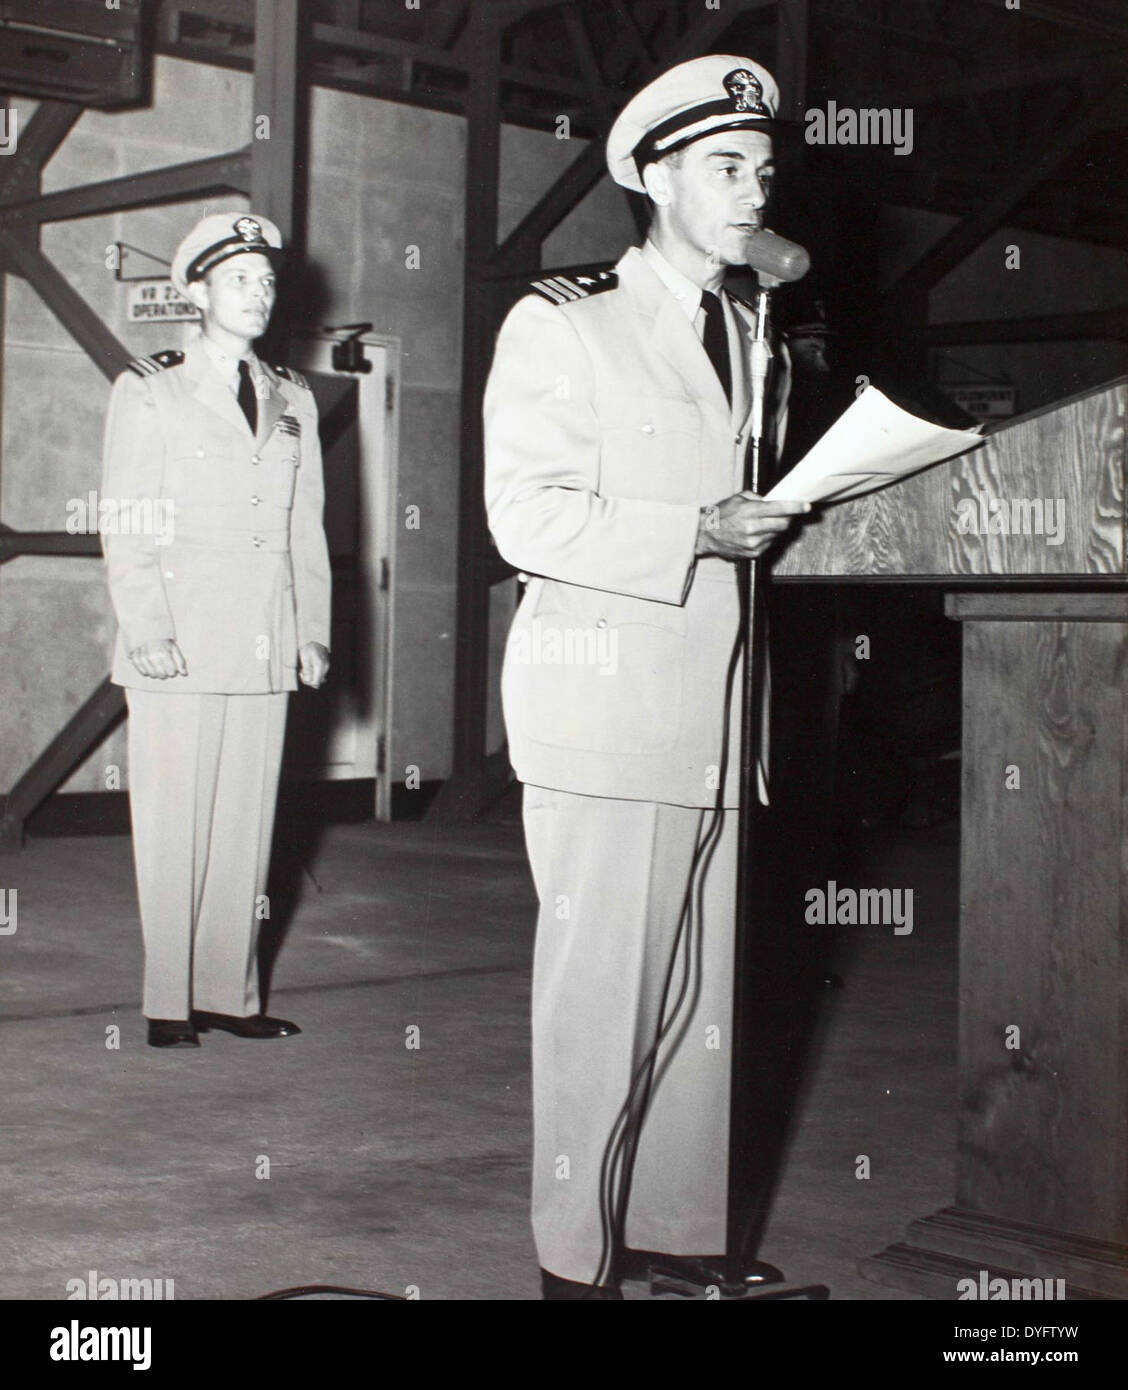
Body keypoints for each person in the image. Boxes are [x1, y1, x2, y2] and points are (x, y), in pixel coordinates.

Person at [484, 55, 810, 1297]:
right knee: (601, 1005)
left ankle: (680, 1237)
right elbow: (525, 515)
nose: (751, 191)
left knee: (699, 998)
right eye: (725, 167)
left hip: (720, 717)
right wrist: (692, 531)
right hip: (608, 715)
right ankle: (576, 1265)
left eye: (763, 170)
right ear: (655, 178)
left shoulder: (756, 336)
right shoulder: (566, 320)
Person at [101, 212, 331, 1049]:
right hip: (180, 640)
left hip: (265, 640)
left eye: (267, 280)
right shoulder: (151, 386)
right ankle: (168, 1002)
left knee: (245, 825)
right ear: (195, 292)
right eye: (240, 279)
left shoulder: (294, 396)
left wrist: (311, 630)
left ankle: (230, 996)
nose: (259, 293)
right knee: (174, 826)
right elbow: (127, 518)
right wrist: (147, 625)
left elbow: (307, 526)